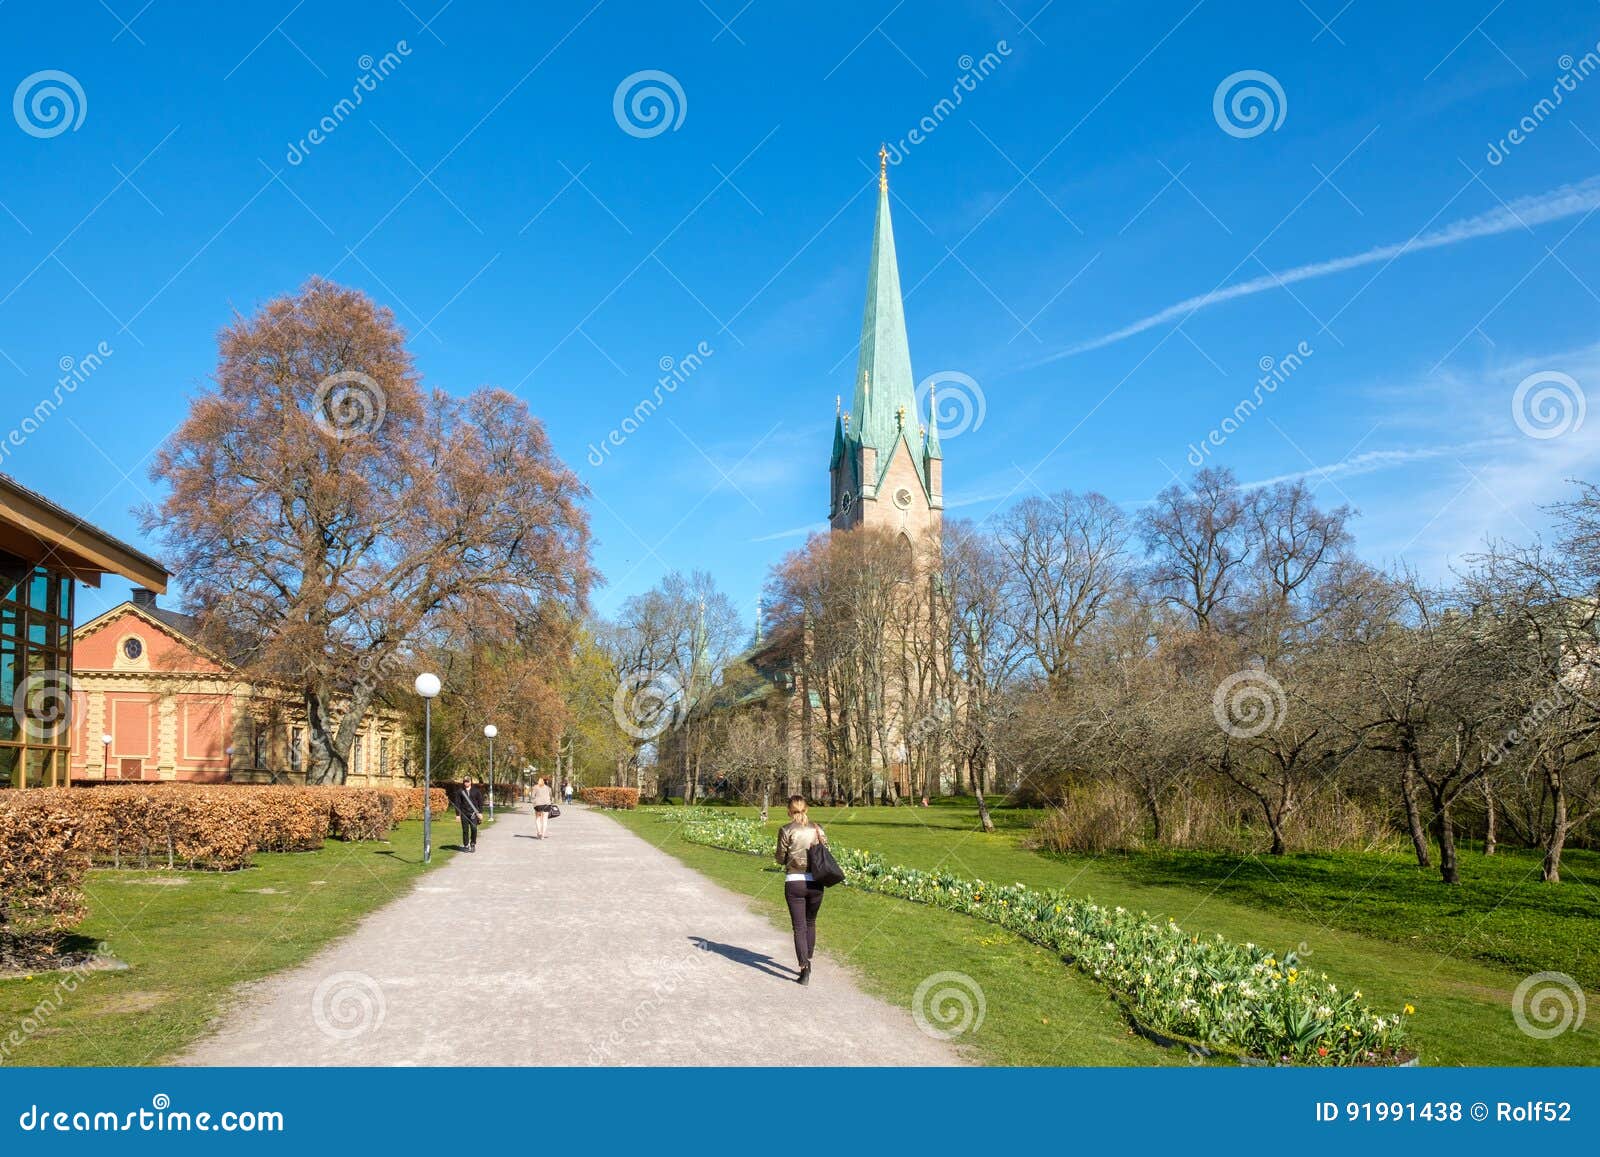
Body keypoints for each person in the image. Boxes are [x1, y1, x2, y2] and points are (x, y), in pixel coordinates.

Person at [774, 795, 826, 985]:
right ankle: (808, 956)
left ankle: (804, 967)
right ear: (807, 809)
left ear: (789, 811)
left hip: (794, 881)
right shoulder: (817, 828)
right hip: (816, 882)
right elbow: (825, 850)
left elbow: (780, 858)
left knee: (799, 926)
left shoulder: (786, 830)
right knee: (810, 921)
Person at [455, 776, 484, 852]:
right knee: (465, 830)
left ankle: (473, 843)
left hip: (474, 814)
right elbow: (457, 803)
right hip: (464, 813)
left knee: (474, 829)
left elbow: (480, 802)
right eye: (465, 781)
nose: (466, 783)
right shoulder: (460, 791)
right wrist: (457, 815)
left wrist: (480, 813)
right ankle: (466, 845)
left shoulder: (476, 791)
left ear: (471, 782)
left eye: (467, 781)